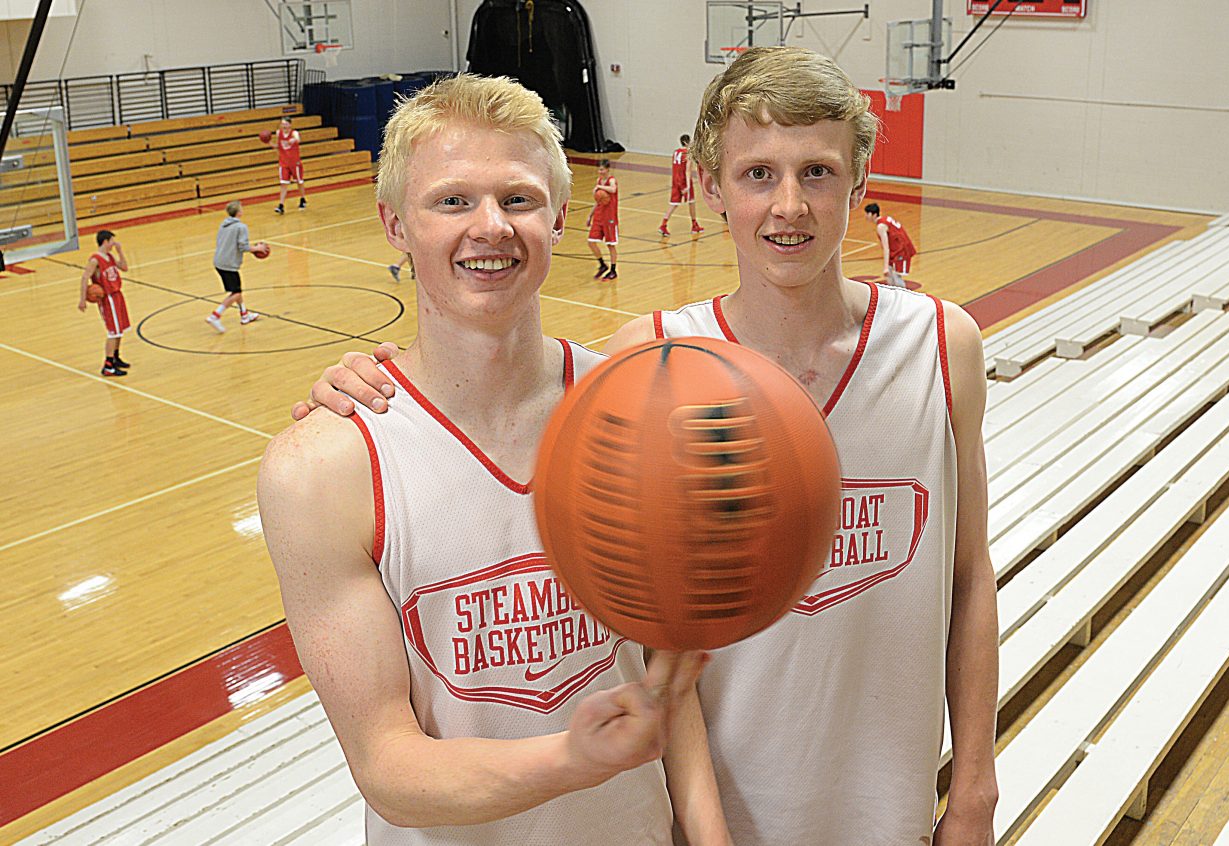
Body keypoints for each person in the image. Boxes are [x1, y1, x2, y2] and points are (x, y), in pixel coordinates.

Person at [293, 47, 999, 846]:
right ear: (711, 186)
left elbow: (970, 577)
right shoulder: (648, 368)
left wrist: (974, 790)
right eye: (758, 174)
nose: (789, 205)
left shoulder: (942, 346)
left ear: (860, 182)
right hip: (720, 812)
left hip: (885, 802)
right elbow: (662, 634)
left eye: (820, 173)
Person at [257, 74, 727, 846]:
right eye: (451, 201)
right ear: (394, 224)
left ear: (561, 216)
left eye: (517, 199)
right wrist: (575, 758)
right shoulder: (323, 469)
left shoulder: (633, 406)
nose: (491, 228)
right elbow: (387, 768)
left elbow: (669, 683)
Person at [77, 229, 131, 377]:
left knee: (120, 329)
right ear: (105, 241)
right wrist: (82, 300)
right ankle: (108, 366)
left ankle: (115, 358)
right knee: (113, 332)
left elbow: (125, 268)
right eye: (112, 241)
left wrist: (120, 252)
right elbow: (84, 278)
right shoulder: (95, 260)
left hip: (117, 295)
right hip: (108, 299)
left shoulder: (110, 256)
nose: (114, 244)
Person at [207, 201, 264, 333]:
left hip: (218, 261)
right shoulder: (241, 227)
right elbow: (243, 247)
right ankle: (215, 315)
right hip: (229, 264)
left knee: (236, 290)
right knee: (236, 293)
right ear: (239, 212)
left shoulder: (223, 224)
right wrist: (257, 248)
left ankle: (244, 315)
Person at [659, 135, 704, 237]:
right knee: (691, 202)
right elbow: (688, 171)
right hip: (684, 181)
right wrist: (687, 185)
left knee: (674, 203)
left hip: (675, 180)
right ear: (687, 143)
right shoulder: (687, 153)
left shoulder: (676, 152)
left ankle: (663, 224)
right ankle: (694, 225)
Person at [864, 202, 917, 288]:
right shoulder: (886, 219)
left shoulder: (881, 226)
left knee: (896, 276)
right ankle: (894, 294)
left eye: (867, 213)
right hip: (899, 248)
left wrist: (885, 267)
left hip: (901, 250)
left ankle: (903, 295)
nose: (866, 216)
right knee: (890, 274)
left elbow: (886, 248)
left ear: (873, 214)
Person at [586, 159, 619, 280]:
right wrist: (590, 215)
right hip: (599, 216)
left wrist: (599, 187)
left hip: (610, 217)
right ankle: (602, 265)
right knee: (591, 242)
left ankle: (613, 270)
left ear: (607, 169)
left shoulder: (611, 180)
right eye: (599, 169)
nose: (600, 172)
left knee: (610, 245)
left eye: (602, 169)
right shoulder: (599, 181)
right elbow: (598, 201)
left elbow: (613, 189)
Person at [269, 117, 307, 214]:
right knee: (283, 184)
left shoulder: (294, 133)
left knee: (299, 182)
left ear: (290, 124)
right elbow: (279, 146)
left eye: (286, 124)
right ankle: (281, 205)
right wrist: (270, 143)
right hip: (283, 162)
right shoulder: (278, 133)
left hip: (295, 162)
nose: (284, 126)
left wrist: (293, 140)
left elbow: (298, 139)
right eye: (282, 124)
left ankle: (303, 199)